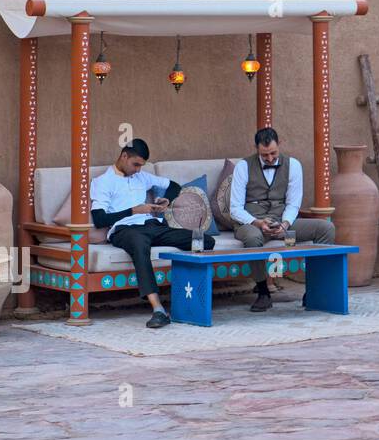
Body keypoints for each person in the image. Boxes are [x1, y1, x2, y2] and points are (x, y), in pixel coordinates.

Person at [95, 138, 214, 329]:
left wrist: (167, 199)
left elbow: (174, 186)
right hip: (125, 230)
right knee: (140, 245)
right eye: (135, 164)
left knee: (204, 241)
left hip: (152, 226)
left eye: (141, 165)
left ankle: (190, 297)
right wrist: (134, 210)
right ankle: (158, 309)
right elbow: (99, 219)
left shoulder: (142, 177)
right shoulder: (103, 182)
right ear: (124, 156)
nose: (138, 170)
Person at [230, 127, 336, 312]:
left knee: (326, 228)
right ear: (255, 148)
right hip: (252, 221)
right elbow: (235, 209)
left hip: (283, 219)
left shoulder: (293, 165)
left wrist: (285, 224)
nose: (270, 158)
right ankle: (263, 292)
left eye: (273, 153)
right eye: (264, 155)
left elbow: (293, 203)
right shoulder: (243, 166)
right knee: (253, 238)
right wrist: (258, 223)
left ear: (280, 144)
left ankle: (314, 289)